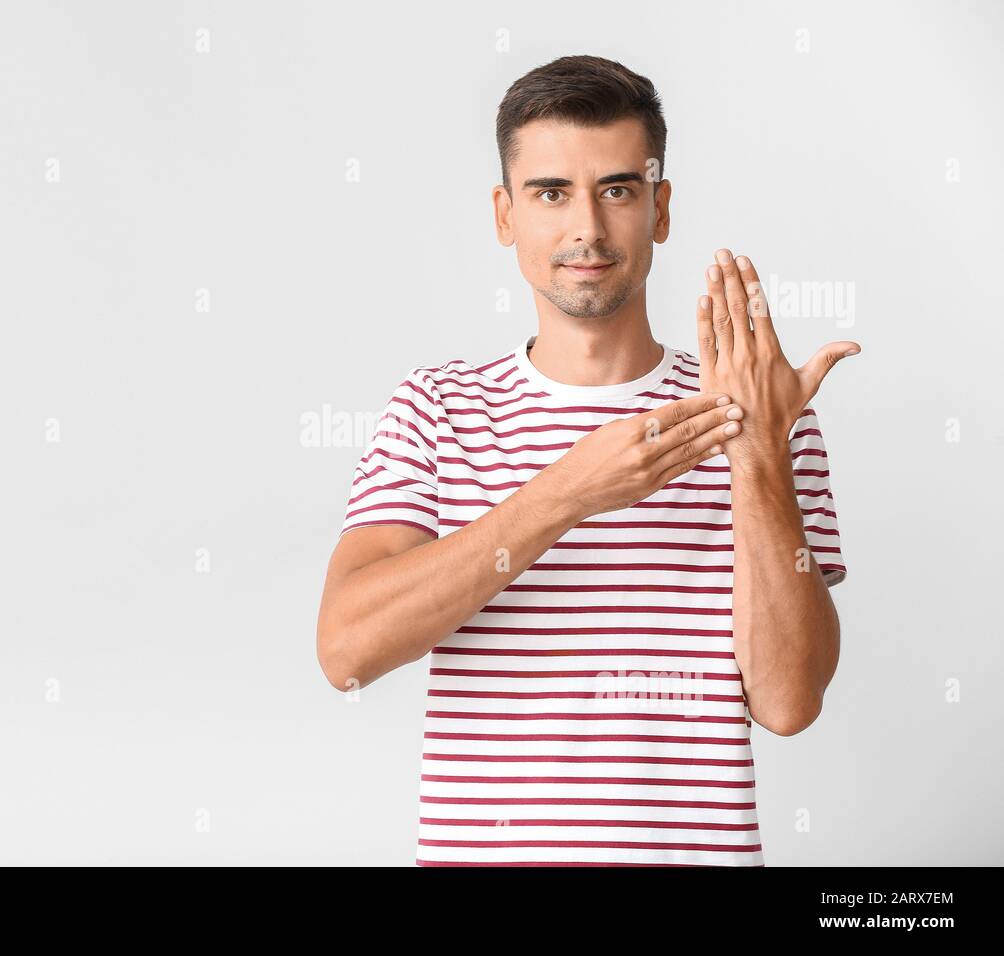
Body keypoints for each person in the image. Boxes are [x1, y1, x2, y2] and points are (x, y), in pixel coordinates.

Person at [315, 54, 859, 867]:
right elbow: (346, 653)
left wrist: (756, 456)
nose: (588, 231)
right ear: (505, 214)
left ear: (659, 207)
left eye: (617, 189)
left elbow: (787, 702)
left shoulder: (766, 413)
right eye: (550, 193)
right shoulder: (435, 408)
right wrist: (569, 491)